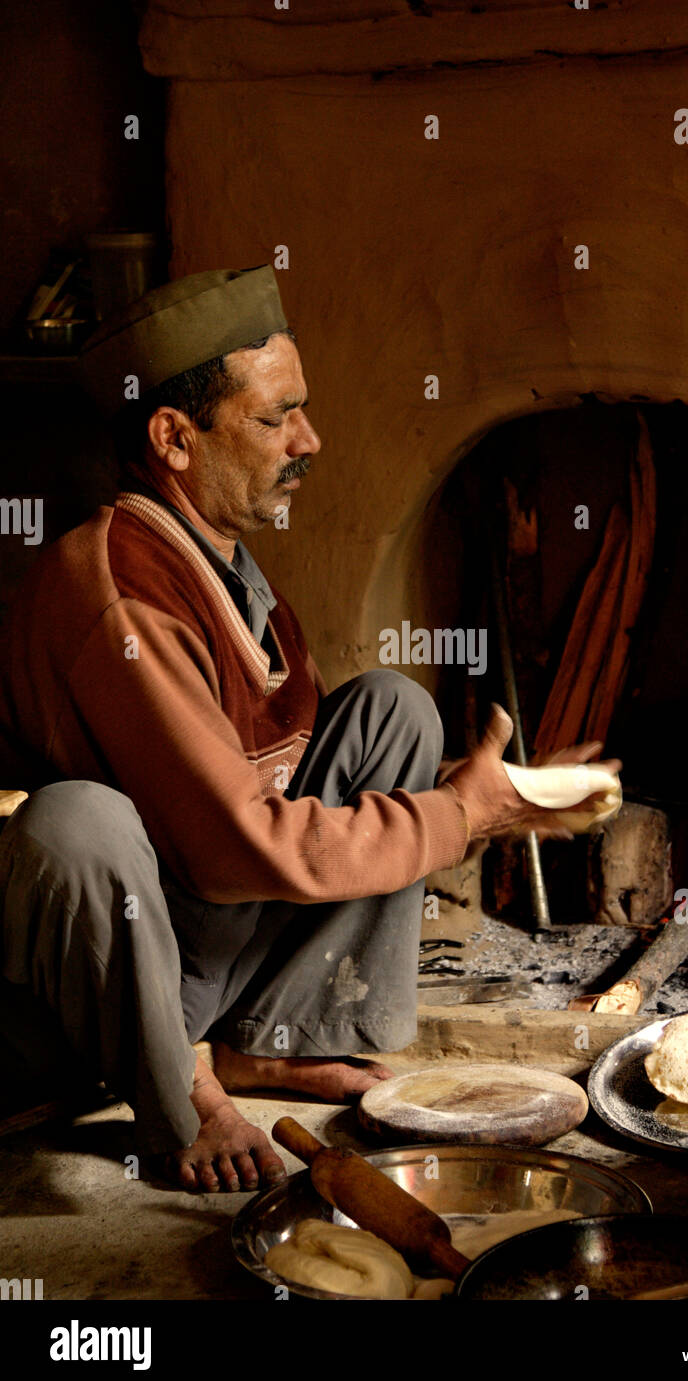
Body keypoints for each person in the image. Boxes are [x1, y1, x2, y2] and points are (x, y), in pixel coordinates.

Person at [0, 266, 616, 1193]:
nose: (309, 441)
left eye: (304, 411)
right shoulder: (121, 595)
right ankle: (186, 1098)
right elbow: (238, 845)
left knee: (389, 712)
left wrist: (492, 798)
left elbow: (273, 786)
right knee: (78, 823)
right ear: (174, 437)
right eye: (273, 417)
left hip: (200, 934)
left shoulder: (223, 565)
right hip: (92, 989)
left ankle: (267, 1040)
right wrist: (459, 817)